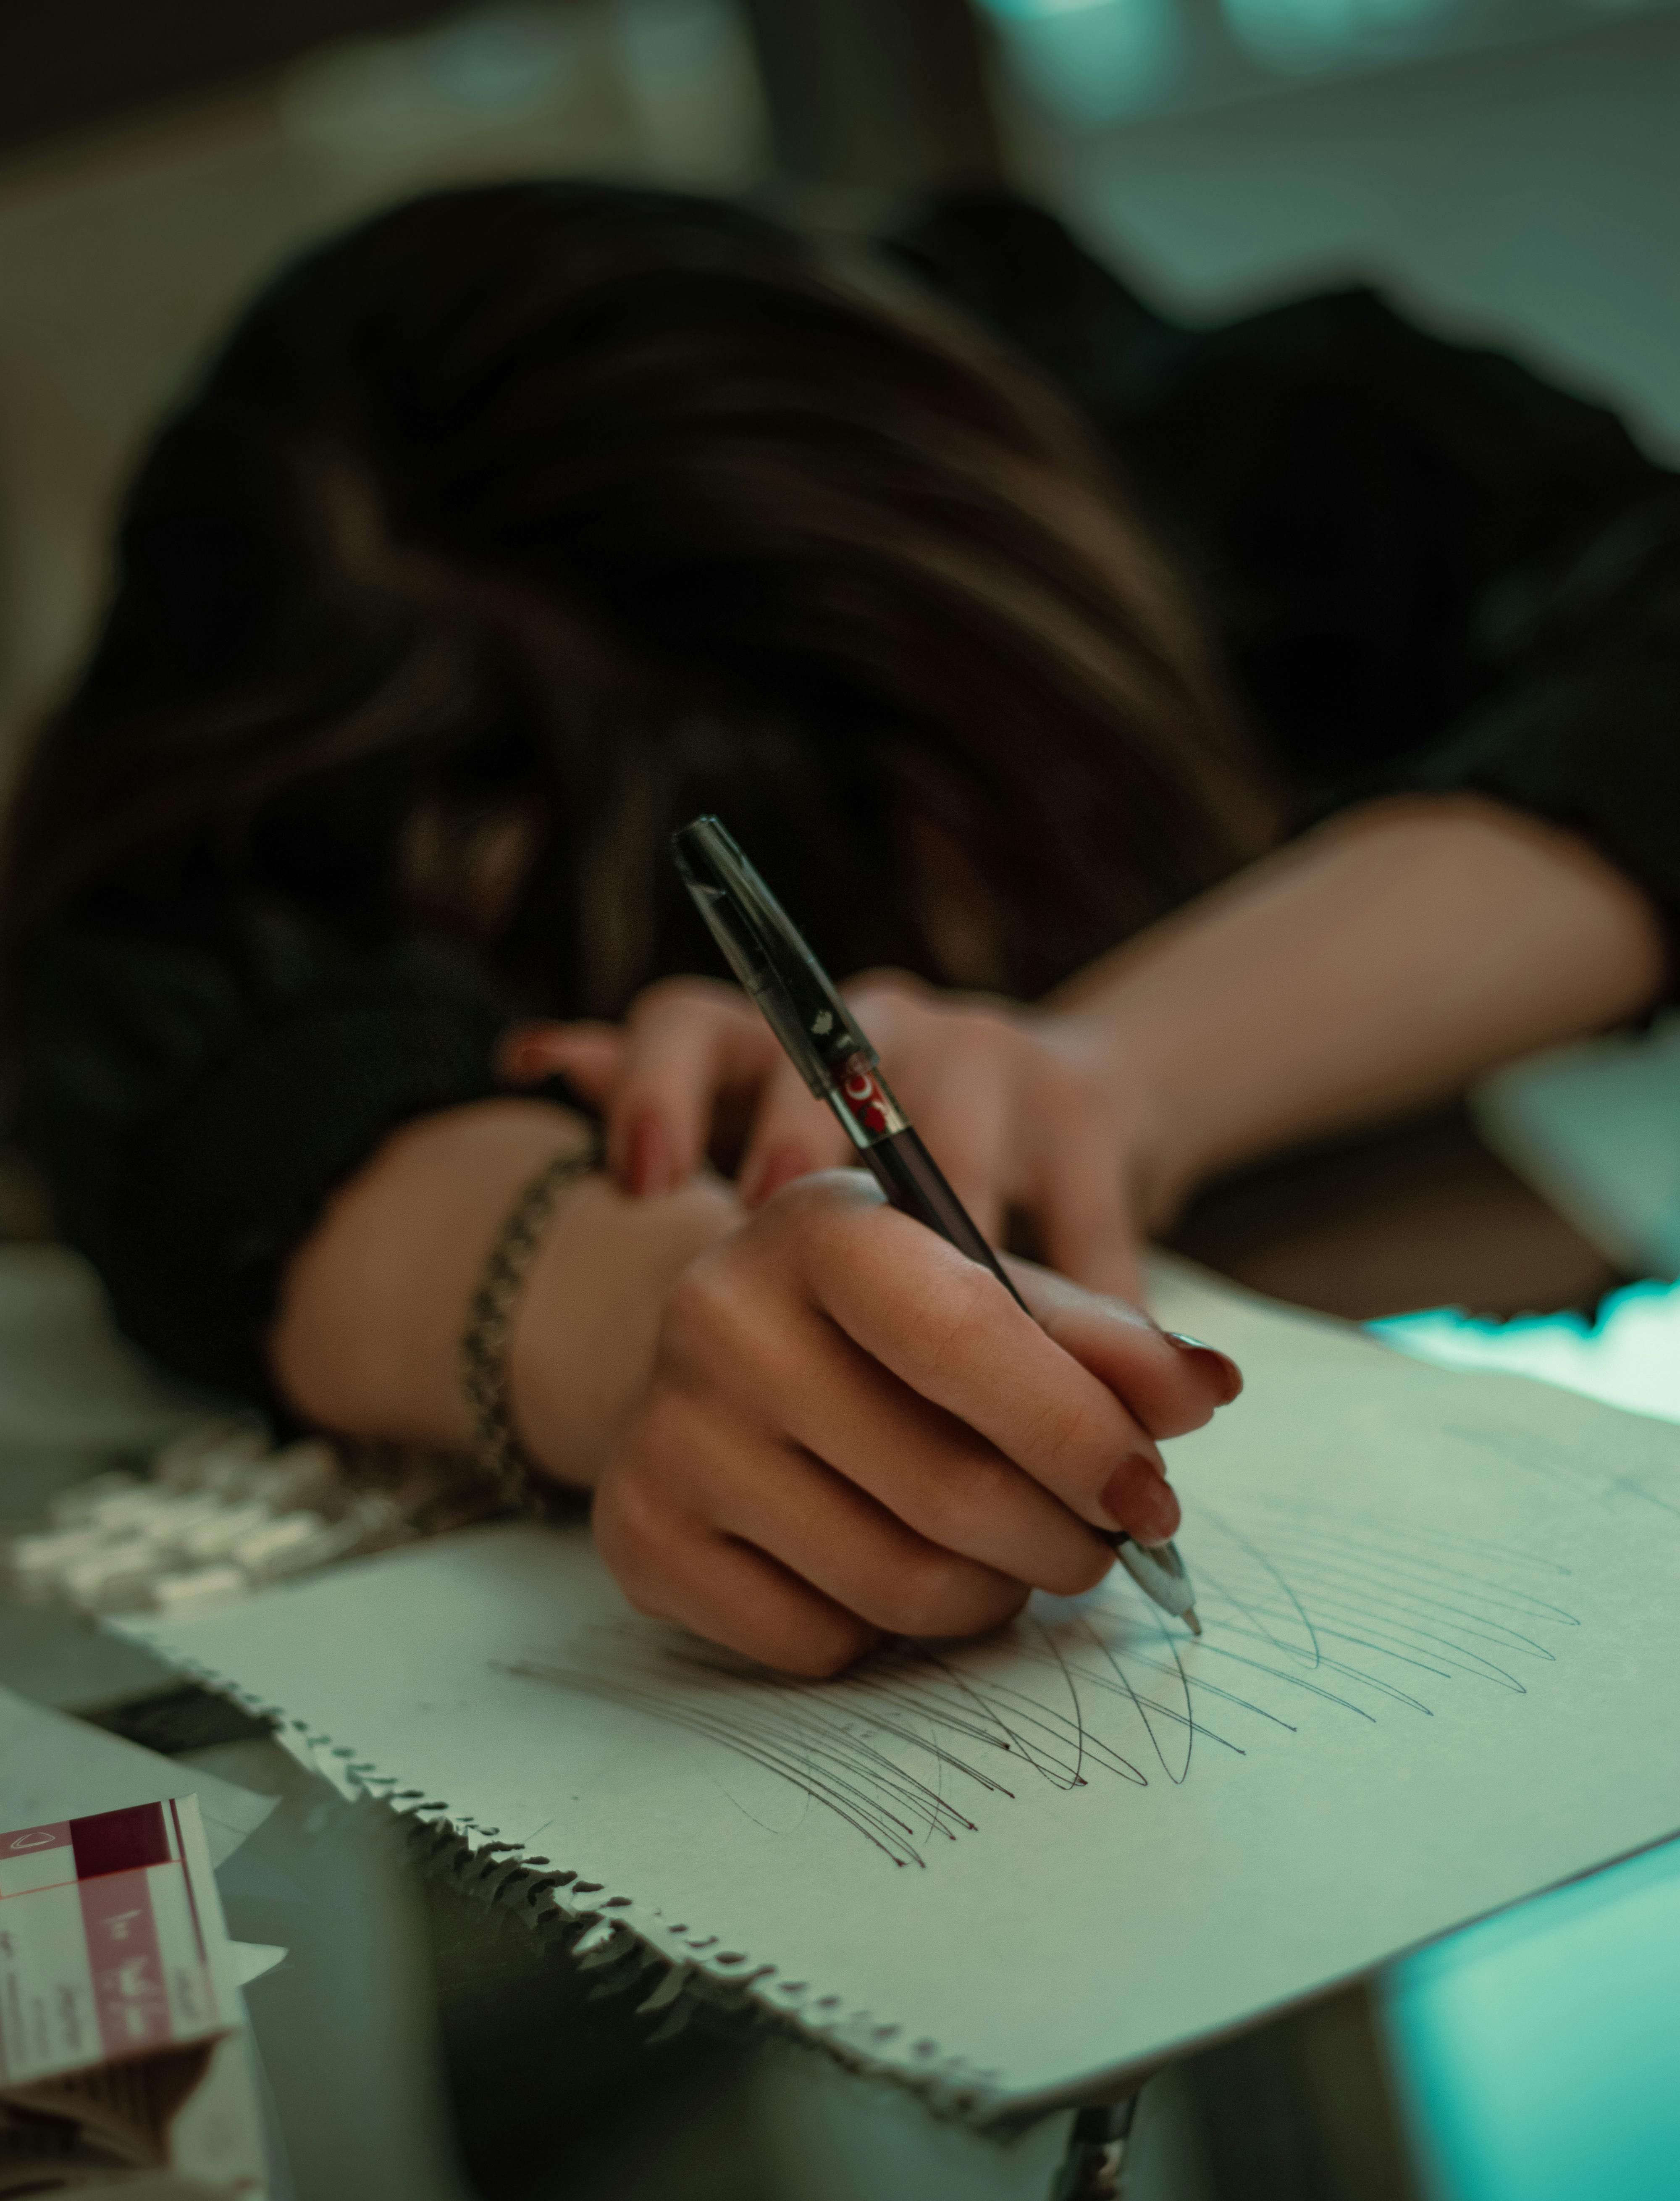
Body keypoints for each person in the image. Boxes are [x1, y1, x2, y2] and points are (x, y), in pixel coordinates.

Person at [3, 185, 1671, 1673]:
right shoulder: (250, 823)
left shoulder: (1234, 446)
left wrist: (1110, 1070)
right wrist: (654, 1310)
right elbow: (203, 1088)